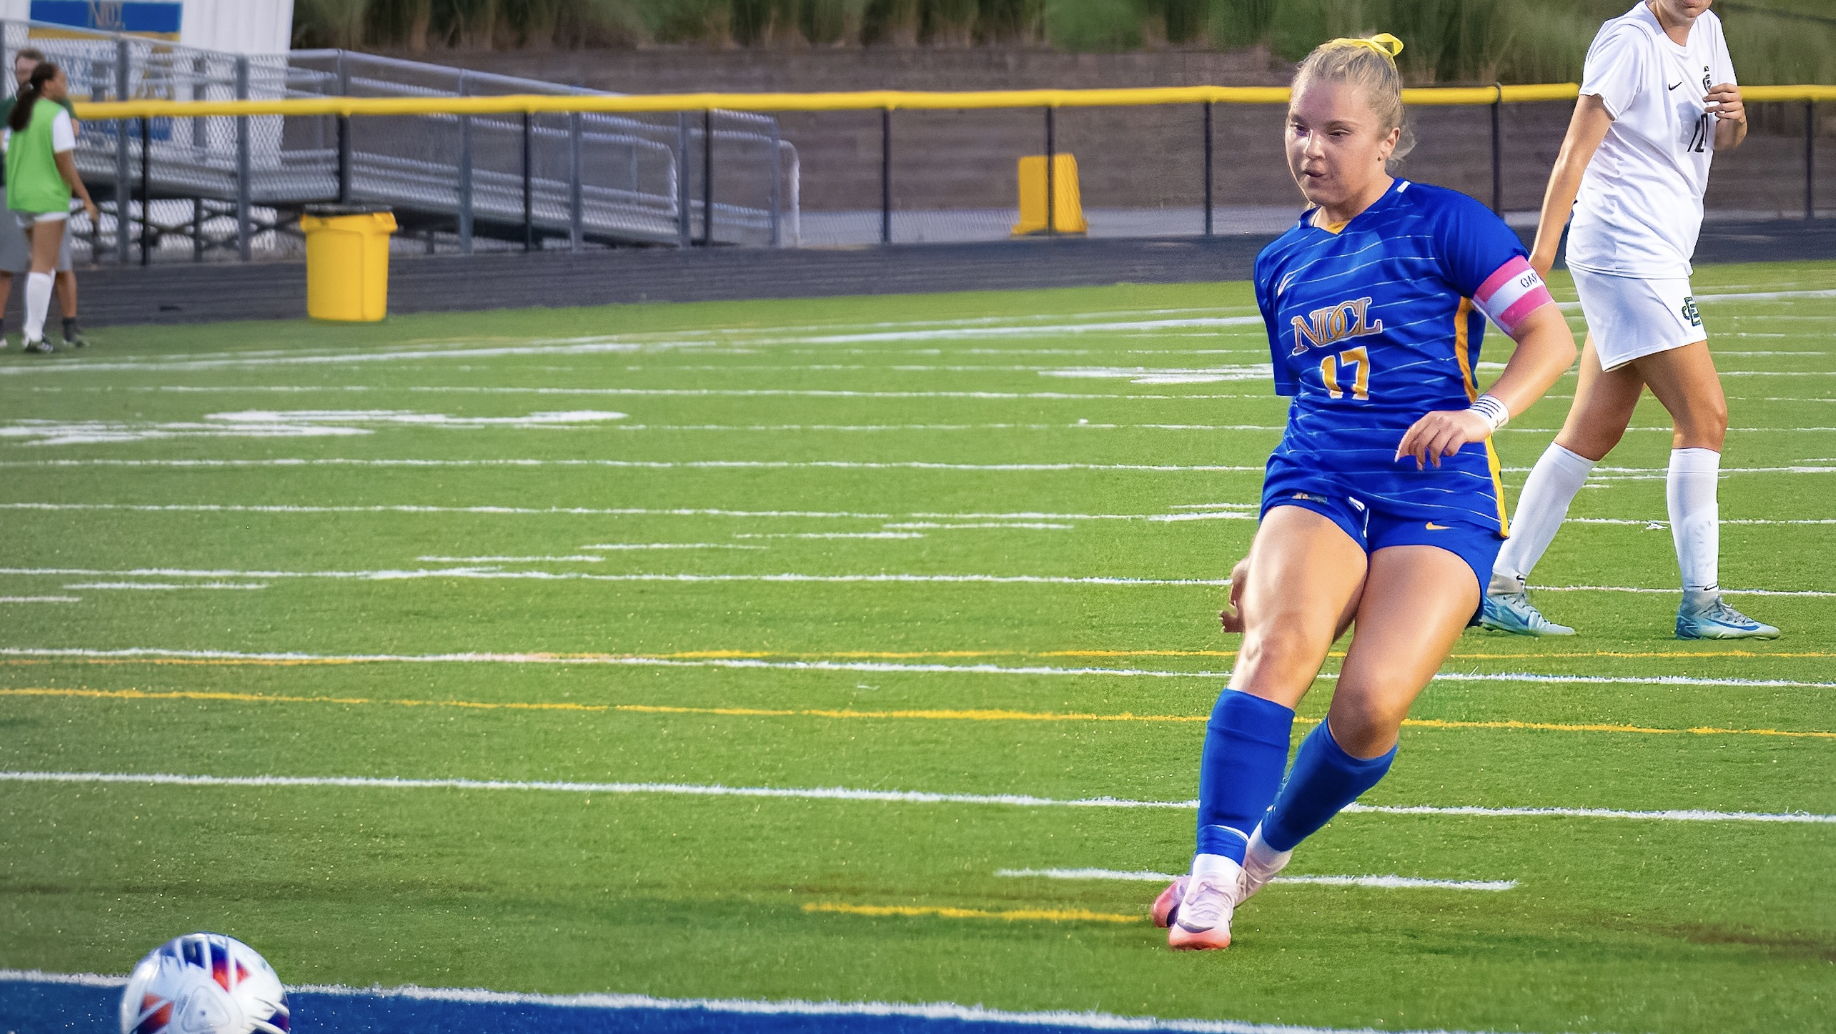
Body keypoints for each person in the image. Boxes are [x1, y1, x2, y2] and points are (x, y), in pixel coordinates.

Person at [1149, 33, 1577, 951]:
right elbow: (1310, 406)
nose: (1312, 149)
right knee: (1277, 648)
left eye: (1336, 132)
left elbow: (1551, 340)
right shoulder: (1279, 264)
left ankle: (1262, 854)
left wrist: (1484, 415)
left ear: (1387, 140)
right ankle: (1211, 882)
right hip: (1317, 485)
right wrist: (1267, 548)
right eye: (1298, 127)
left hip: (1440, 495)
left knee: (1370, 705)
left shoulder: (1448, 223)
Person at [1480, 0, 1773, 640]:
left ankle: (1501, 584)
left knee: (1596, 427)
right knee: (1706, 417)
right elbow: (1573, 153)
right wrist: (1540, 255)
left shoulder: (1710, 30)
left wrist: (1737, 120)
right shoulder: (1627, 42)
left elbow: (1721, 138)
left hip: (1657, 251)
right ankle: (1702, 604)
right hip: (1626, 251)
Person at [4, 61, 97, 354]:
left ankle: (35, 331)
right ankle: (33, 334)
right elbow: (65, 163)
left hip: (21, 197)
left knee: (43, 263)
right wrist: (85, 198)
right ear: (48, 84)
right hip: (47, 198)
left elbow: (8, 150)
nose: (66, 84)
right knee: (44, 266)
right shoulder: (56, 115)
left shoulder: (20, 113)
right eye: (62, 80)